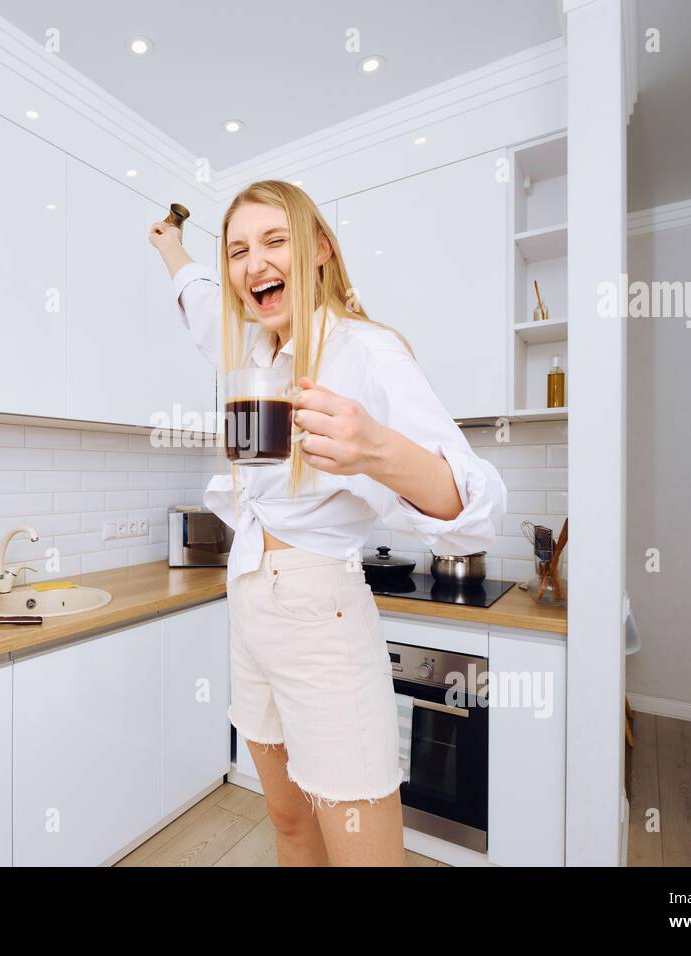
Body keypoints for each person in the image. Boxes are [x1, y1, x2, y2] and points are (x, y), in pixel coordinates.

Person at [148, 180, 507, 866]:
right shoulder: (250, 351)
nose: (254, 263)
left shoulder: (365, 353)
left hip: (321, 615)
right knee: (286, 820)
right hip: (249, 600)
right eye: (238, 251)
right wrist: (172, 248)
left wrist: (381, 451)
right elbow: (198, 303)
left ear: (319, 249)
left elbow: (477, 512)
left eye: (275, 241)